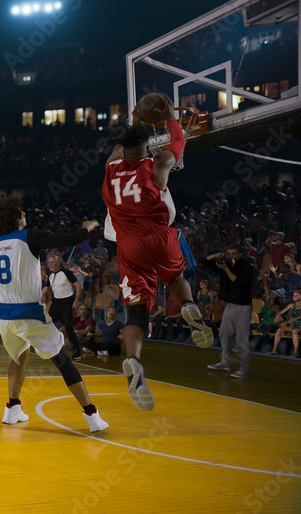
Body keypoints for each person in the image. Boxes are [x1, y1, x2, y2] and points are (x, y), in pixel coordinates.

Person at [102, 98, 212, 410]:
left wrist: (134, 118)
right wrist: (168, 119)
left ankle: (134, 360)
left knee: (136, 312)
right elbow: (178, 140)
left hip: (128, 246)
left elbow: (122, 147)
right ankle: (188, 305)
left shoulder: (110, 169)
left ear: (122, 149)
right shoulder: (157, 165)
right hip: (160, 237)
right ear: (147, 149)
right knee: (176, 278)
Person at [0, 196, 109, 432]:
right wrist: (86, 228)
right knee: (62, 359)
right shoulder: (28, 236)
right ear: (15, 217)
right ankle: (92, 415)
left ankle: (12, 409)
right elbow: (67, 239)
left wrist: (8, 290)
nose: (25, 215)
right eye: (22, 213)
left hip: (3, 317)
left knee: (19, 356)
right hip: (28, 313)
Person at [204, 244, 255, 378]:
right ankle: (225, 362)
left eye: (234, 254)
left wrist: (226, 269)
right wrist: (216, 256)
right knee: (224, 335)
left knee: (241, 339)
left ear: (239, 254)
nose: (231, 256)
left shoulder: (245, 267)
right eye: (229, 254)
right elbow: (204, 262)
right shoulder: (225, 264)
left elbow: (238, 283)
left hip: (243, 306)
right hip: (230, 305)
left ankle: (243, 370)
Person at [43, 254, 83, 360]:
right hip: (56, 302)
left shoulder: (66, 273)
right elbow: (46, 289)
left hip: (67, 302)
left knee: (68, 327)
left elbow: (78, 285)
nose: (50, 264)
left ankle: (76, 353)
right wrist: (34, 297)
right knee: (48, 322)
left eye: (52, 262)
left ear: (58, 263)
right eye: (49, 262)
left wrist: (76, 300)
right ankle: (50, 346)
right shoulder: (51, 275)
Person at [269, 290, 301, 357]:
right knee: (279, 330)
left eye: (296, 295)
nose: (294, 297)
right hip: (294, 326)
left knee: (295, 331)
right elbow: (282, 312)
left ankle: (295, 352)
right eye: (293, 295)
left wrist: (297, 318)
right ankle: (274, 350)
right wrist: (278, 316)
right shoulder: (291, 305)